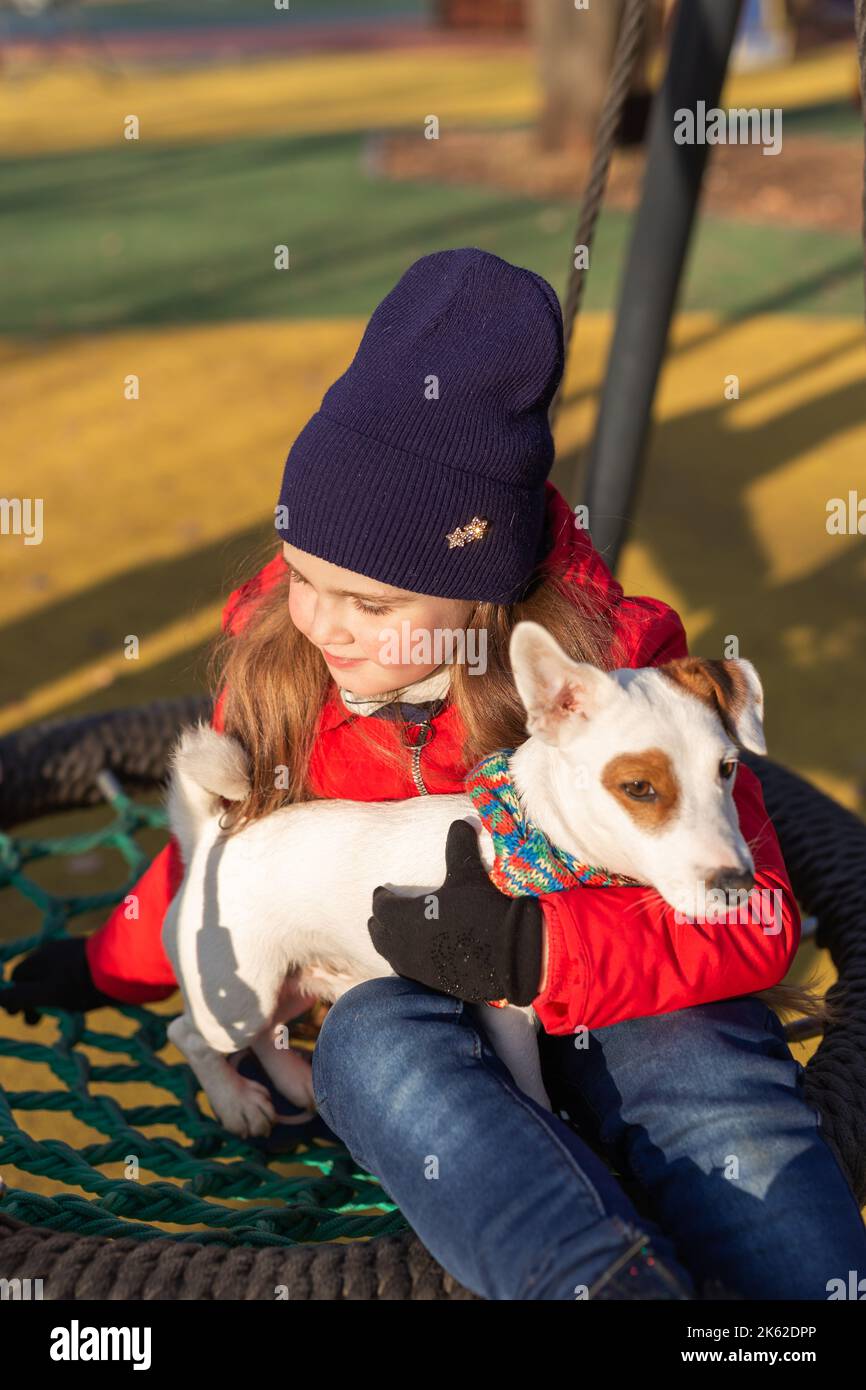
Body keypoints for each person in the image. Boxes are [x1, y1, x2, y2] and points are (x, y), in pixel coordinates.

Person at [5, 248, 864, 1299]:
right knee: (375, 1045)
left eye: (371, 605)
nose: (322, 621)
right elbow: (238, 860)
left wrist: (543, 948)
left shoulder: (626, 687)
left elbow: (750, 915)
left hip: (623, 989)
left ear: (483, 600)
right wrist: (111, 963)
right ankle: (597, 1279)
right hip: (386, 995)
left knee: (695, 1068)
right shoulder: (286, 680)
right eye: (304, 577)